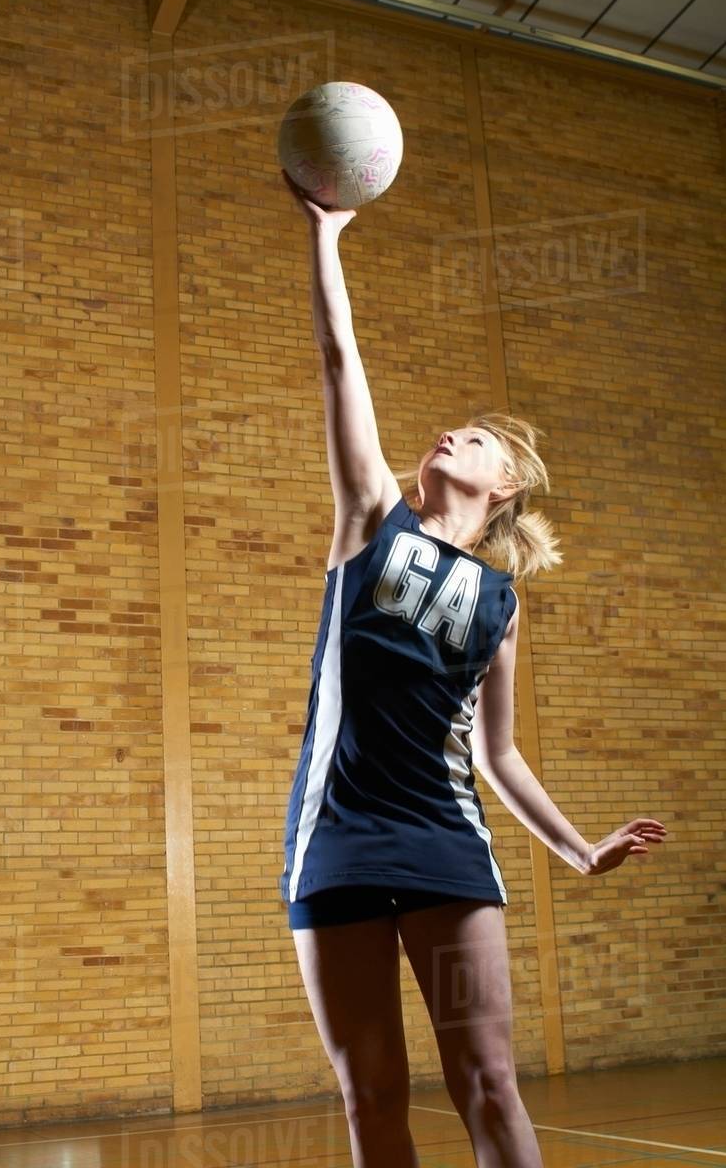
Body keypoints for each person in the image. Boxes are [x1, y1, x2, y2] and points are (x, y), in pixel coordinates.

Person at [278, 168, 667, 1168]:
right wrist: (325, 235)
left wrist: (578, 852)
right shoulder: (370, 519)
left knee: (487, 1082)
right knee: (371, 1097)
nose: (448, 432)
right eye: (448, 430)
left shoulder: (500, 602)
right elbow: (336, 359)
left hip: (445, 844)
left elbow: (496, 755)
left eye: (477, 437)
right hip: (337, 840)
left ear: (503, 484)